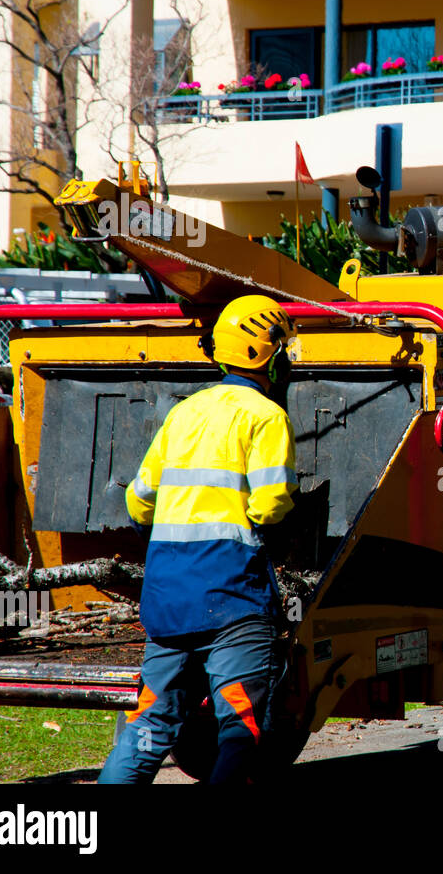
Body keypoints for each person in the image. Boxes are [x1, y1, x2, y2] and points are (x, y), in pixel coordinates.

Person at [99, 294, 298, 784]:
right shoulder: (266, 416)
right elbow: (270, 505)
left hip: (168, 599)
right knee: (240, 730)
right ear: (267, 355)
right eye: (284, 349)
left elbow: (139, 501)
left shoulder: (184, 413)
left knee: (148, 727)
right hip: (232, 598)